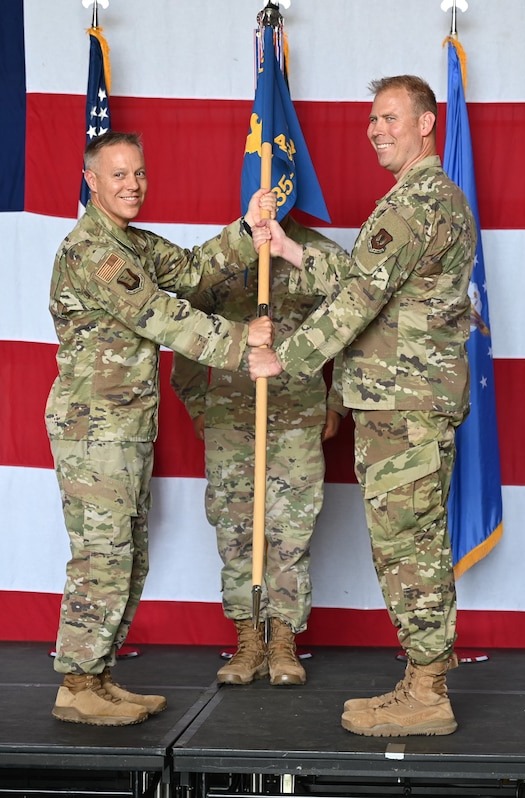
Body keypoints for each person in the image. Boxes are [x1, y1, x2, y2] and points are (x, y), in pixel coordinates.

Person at [249, 75, 476, 737]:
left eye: (390, 117)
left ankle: (429, 693)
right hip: (400, 404)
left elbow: (356, 304)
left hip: (405, 407)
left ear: (428, 123)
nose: (377, 129)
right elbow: (363, 281)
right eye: (372, 120)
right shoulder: (424, 198)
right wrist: (291, 251)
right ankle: (419, 678)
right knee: (408, 548)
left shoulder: (416, 202)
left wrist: (281, 357)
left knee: (411, 550)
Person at [46, 131, 275, 726]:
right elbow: (158, 313)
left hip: (125, 426)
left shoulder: (135, 245)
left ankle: (98, 673)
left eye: (139, 173)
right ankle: (76, 683)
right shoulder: (94, 251)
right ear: (91, 181)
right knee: (101, 555)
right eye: (118, 174)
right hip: (93, 429)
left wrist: (247, 230)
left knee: (127, 554)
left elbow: (194, 272)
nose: (132, 184)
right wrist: (239, 340)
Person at [170, 216, 345, 687]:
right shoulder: (226, 253)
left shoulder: (313, 253)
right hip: (231, 416)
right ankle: (249, 638)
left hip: (295, 417)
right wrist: (194, 401)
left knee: (291, 531)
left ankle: (284, 640)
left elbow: (357, 317)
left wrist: (337, 401)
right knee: (236, 529)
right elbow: (188, 323)